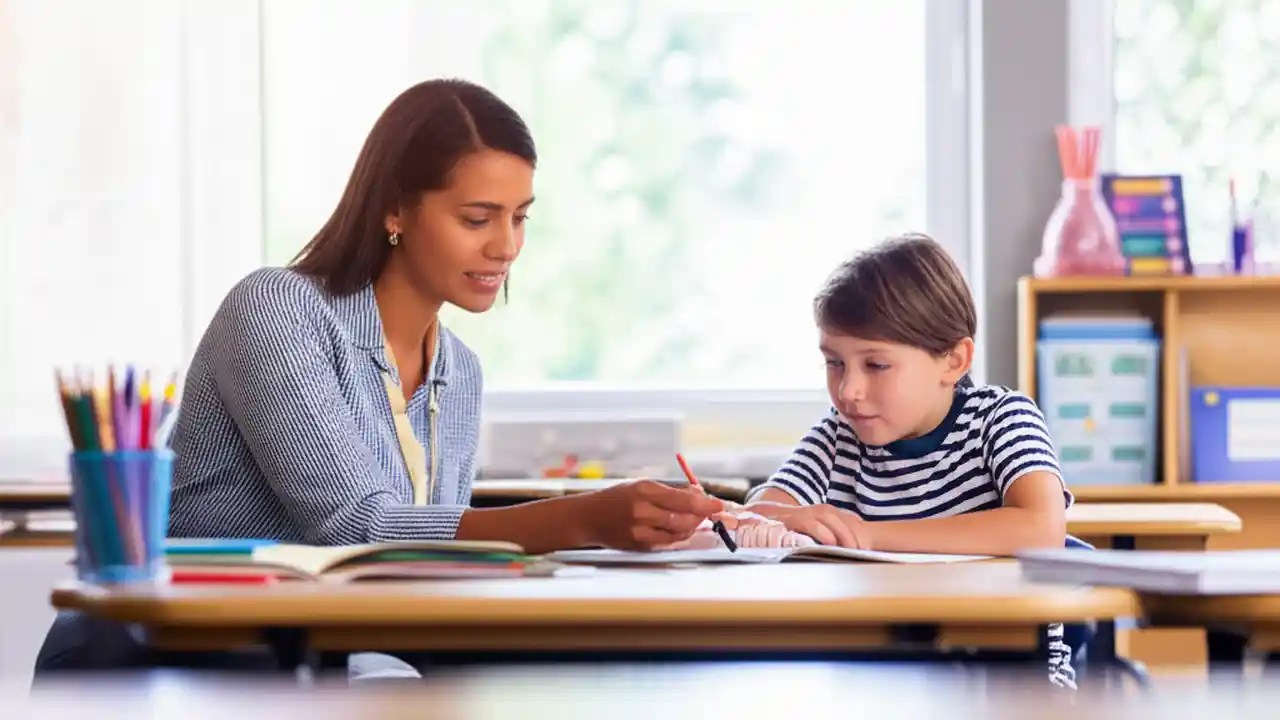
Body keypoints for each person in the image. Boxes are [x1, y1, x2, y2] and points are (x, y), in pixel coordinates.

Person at [35, 78, 723, 677]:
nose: (506, 246)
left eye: (520, 218)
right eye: (477, 218)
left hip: (331, 656)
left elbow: (425, 577)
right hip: (179, 651)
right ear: (395, 209)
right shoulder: (276, 311)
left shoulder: (460, 371)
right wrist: (582, 517)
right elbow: (354, 527)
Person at [743, 233, 1076, 688]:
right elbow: (756, 514)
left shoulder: (1002, 418)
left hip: (1012, 678)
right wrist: (787, 516)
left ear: (953, 361)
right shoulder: (838, 435)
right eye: (834, 363)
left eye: (875, 366)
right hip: (883, 678)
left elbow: (1042, 528)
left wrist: (867, 536)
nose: (848, 390)